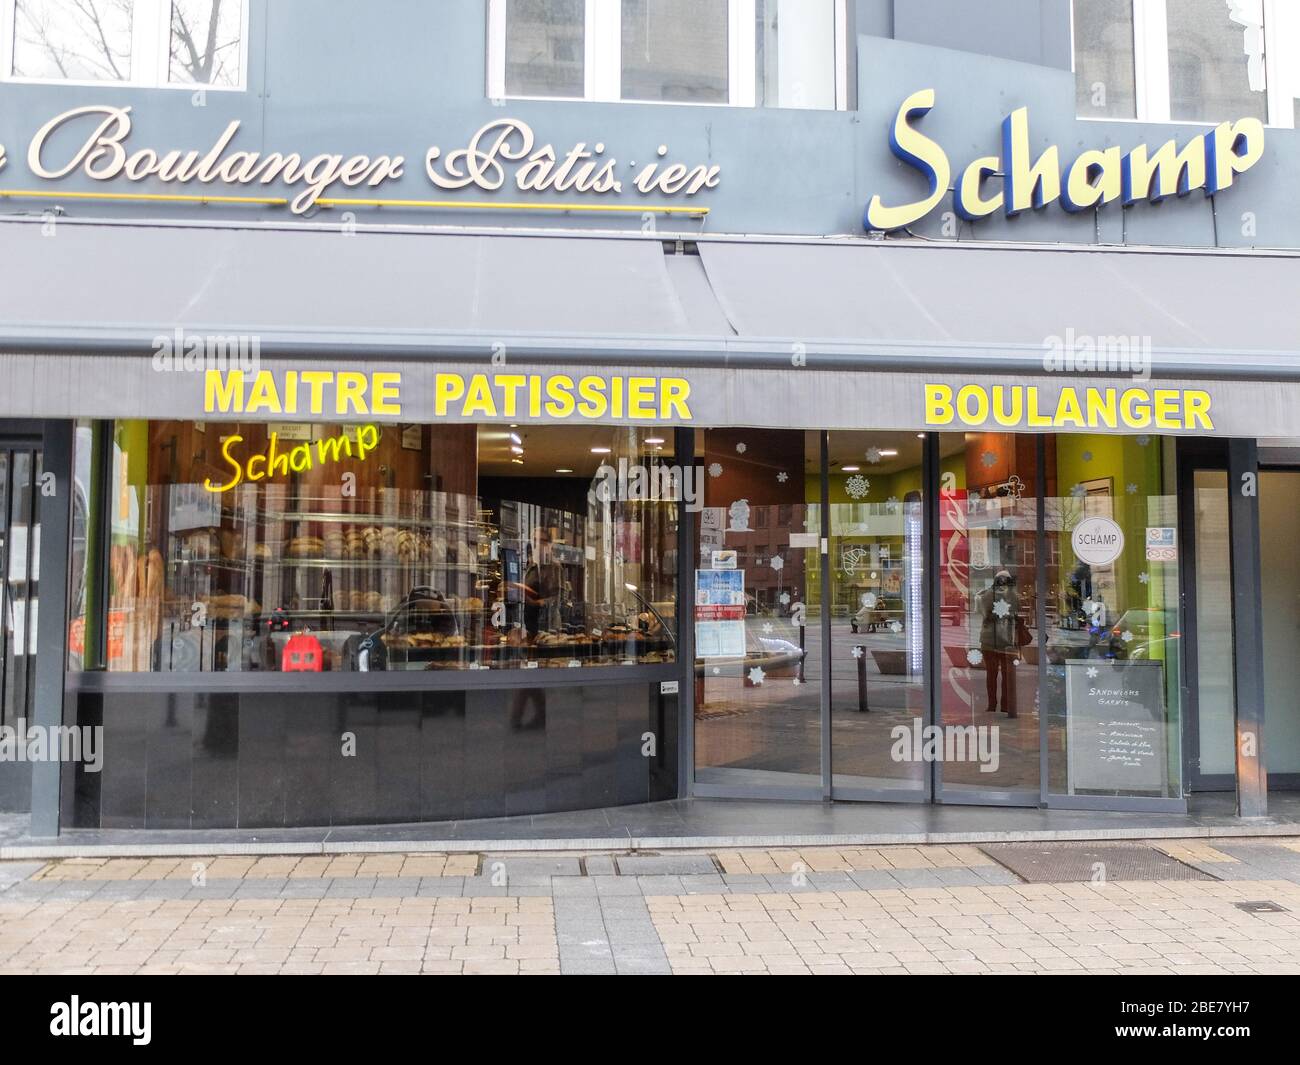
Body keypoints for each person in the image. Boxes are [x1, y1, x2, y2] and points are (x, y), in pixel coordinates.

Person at [978, 569, 1021, 717]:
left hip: (1002, 641)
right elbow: (985, 613)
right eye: (1001, 580)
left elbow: (1016, 610)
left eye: (1006, 581)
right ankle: (996, 704)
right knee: (995, 674)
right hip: (993, 641)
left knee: (1001, 675)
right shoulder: (989, 595)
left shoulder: (1010, 596)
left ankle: (999, 705)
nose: (1003, 584)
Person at [517, 526, 563, 638]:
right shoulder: (531, 565)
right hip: (529, 621)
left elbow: (558, 598)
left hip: (547, 625)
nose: (538, 544)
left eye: (542, 541)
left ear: (549, 544)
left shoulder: (554, 566)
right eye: (535, 540)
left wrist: (534, 602)